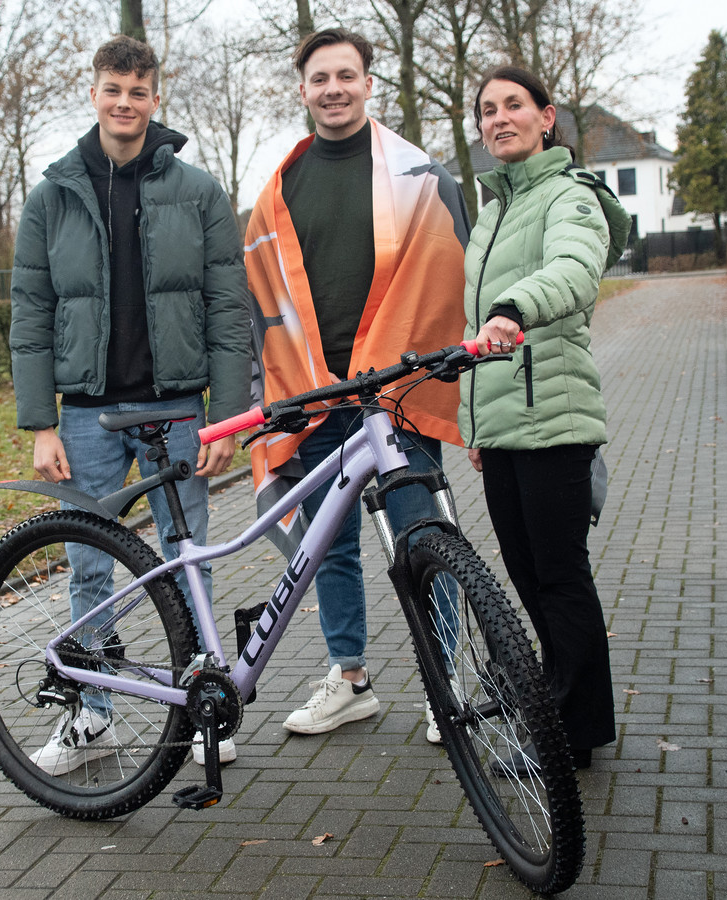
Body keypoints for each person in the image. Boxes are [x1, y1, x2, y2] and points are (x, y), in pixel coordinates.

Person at [9, 35, 250, 773]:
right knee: (88, 563)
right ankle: (93, 715)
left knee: (190, 558)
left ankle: (203, 705)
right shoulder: (52, 195)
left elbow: (226, 306)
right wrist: (41, 421)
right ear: (95, 93)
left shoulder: (200, 192)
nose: (125, 102)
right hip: (85, 413)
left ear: (155, 98)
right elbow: (31, 309)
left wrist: (228, 412)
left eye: (138, 91)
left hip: (177, 407)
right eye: (114, 88)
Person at [244, 28, 470, 742]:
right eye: (320, 78)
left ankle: (445, 684)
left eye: (346, 75)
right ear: (303, 89)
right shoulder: (279, 189)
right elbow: (262, 298)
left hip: (396, 393)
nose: (333, 88)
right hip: (317, 400)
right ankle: (350, 680)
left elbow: (452, 272)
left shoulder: (416, 175)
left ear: (369, 84)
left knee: (423, 538)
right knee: (329, 546)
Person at [461, 66, 630, 771]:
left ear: (546, 118)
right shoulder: (494, 210)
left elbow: (573, 270)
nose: (499, 118)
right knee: (531, 580)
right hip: (504, 428)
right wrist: (474, 427)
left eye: (513, 106)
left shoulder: (569, 196)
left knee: (560, 578)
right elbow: (473, 327)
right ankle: (574, 722)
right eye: (487, 111)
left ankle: (569, 731)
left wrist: (514, 308)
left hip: (553, 422)